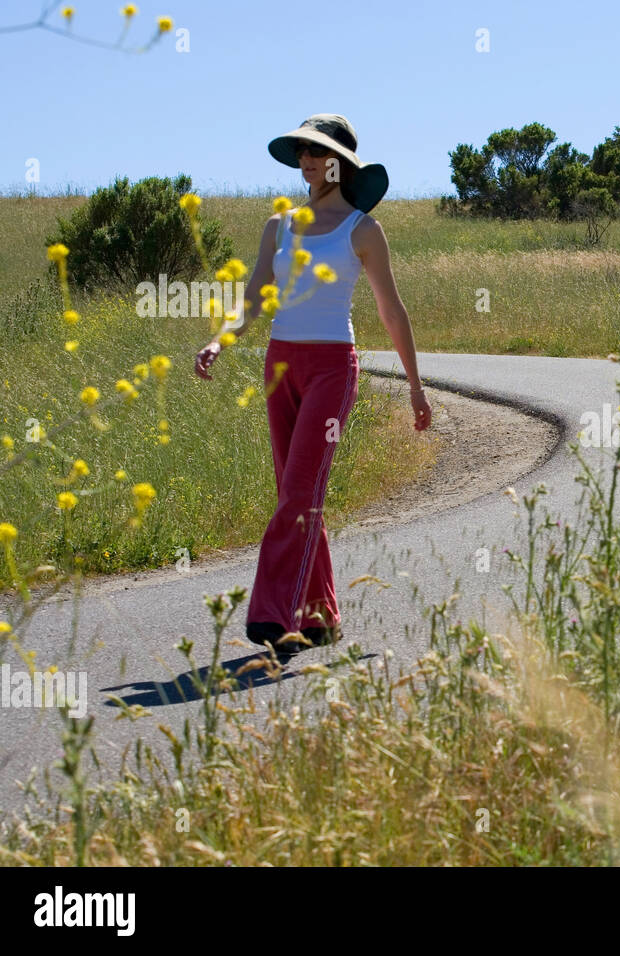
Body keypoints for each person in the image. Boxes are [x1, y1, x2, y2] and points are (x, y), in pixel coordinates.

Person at [193, 113, 432, 655]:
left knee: (300, 492)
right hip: (280, 364)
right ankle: (321, 614)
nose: (306, 158)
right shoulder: (278, 226)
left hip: (331, 369)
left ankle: (276, 616)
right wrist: (220, 340)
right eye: (302, 149)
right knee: (295, 494)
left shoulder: (362, 231)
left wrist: (415, 386)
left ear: (340, 162)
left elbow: (392, 312)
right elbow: (255, 295)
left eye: (317, 150)